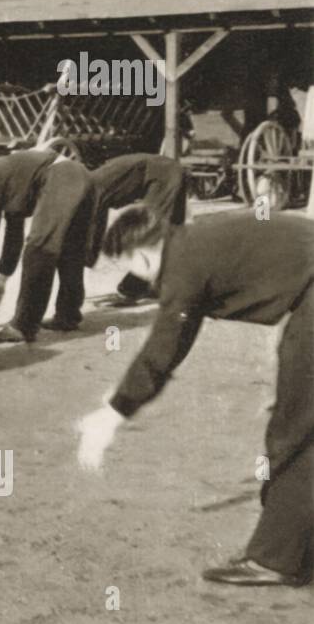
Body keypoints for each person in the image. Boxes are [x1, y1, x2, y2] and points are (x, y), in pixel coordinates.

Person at [77, 206, 314, 587]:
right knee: (298, 422)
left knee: (294, 433)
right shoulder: (193, 238)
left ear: (140, 255)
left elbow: (164, 350)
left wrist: (112, 413)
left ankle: (274, 558)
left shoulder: (181, 266)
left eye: (131, 268)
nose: (137, 278)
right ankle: (290, 546)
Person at [0, 149, 95, 343]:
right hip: (83, 175)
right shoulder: (11, 180)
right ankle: (67, 315)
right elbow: (13, 235)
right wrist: (1, 281)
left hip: (61, 176)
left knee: (39, 249)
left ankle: (23, 326)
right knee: (69, 250)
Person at [85, 153, 188, 304]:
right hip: (168, 170)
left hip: (163, 174)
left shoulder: (89, 190)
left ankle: (132, 290)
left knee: (151, 232)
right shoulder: (90, 182)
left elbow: (95, 229)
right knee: (171, 232)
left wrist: (86, 258)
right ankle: (156, 285)